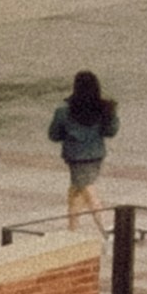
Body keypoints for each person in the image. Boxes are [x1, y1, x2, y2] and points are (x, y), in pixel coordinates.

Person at [45, 71, 115, 231]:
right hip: (97, 155)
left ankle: (103, 227)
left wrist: (69, 135)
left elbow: (54, 135)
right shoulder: (104, 108)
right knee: (75, 192)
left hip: (76, 158)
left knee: (88, 190)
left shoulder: (64, 112)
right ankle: (72, 228)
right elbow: (111, 131)